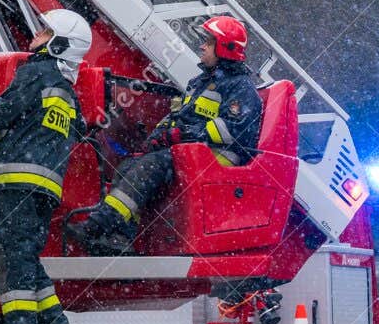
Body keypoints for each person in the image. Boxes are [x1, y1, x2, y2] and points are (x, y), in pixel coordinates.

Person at [69, 15, 262, 255]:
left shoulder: (241, 88)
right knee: (131, 164)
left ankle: (98, 225)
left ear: (225, 48)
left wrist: (183, 134)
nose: (202, 46)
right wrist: (157, 137)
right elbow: (178, 116)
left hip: (214, 158)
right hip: (189, 152)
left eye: (209, 42)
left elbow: (234, 130)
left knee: (149, 167)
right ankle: (120, 237)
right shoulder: (200, 82)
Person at [0, 8, 93, 324]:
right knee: (26, 253)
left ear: (58, 45)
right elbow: (78, 132)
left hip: (17, 183)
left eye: (46, 30)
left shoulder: (33, 73)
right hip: (46, 190)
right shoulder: (68, 95)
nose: (39, 33)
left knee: (15, 255)